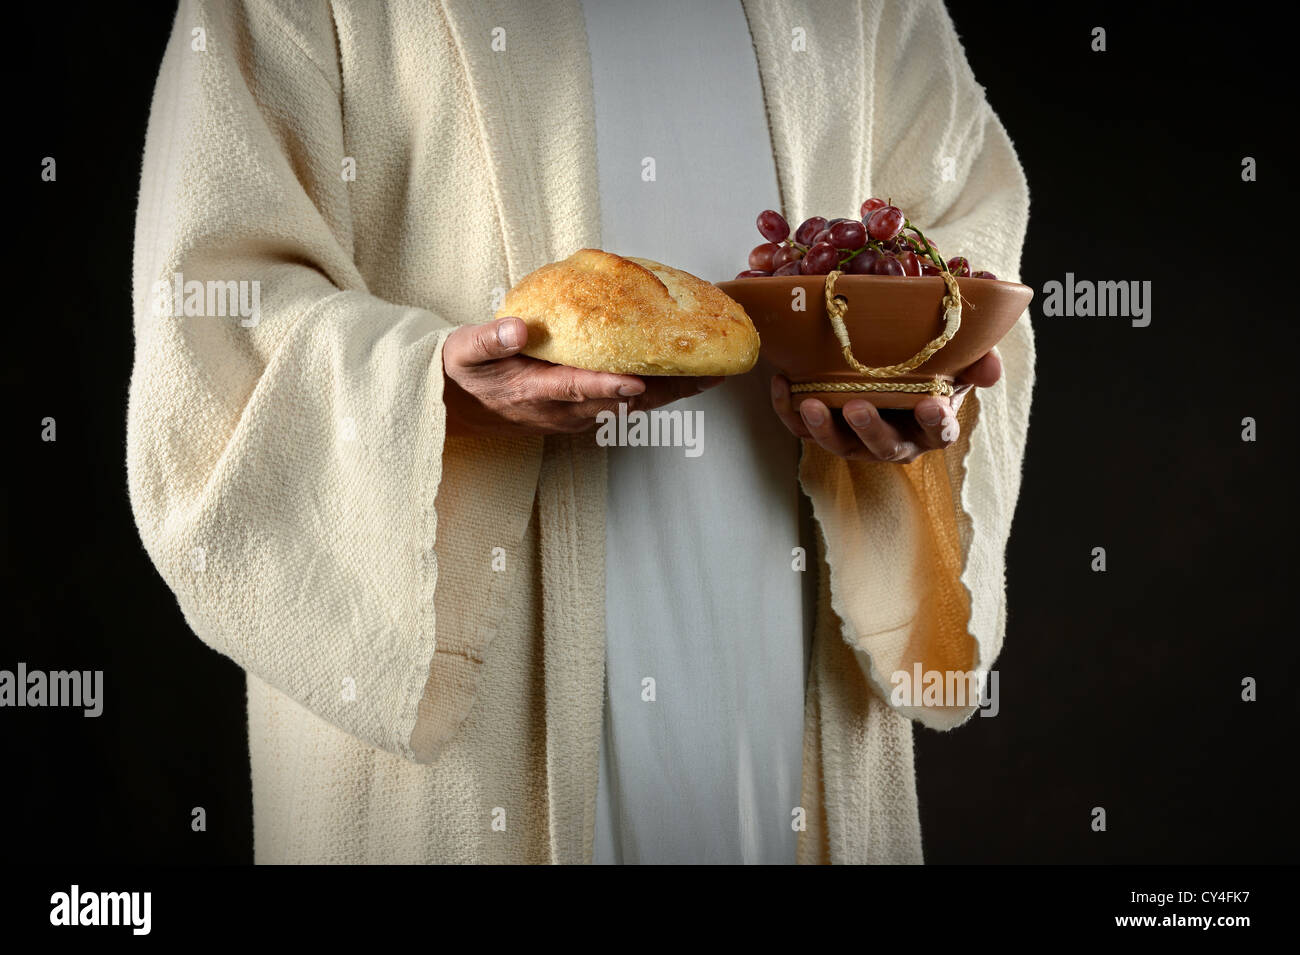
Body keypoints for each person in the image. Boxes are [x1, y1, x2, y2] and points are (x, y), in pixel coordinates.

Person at [127, 0, 1033, 864]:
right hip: (477, 645)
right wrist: (427, 389)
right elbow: (213, 302)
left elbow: (956, 214)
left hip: (779, 599)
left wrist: (903, 374)